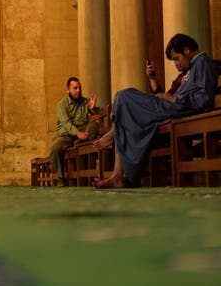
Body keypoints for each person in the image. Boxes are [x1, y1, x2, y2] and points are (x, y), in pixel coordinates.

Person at [93, 33, 217, 189]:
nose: (176, 64)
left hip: (180, 109)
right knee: (124, 110)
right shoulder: (189, 69)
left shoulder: (202, 62)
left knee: (124, 96)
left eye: (177, 58)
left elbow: (203, 98)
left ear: (186, 50)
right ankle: (117, 175)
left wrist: (173, 99)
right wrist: (161, 89)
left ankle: (114, 135)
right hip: (171, 107)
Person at [50, 77, 98, 186]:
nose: (79, 90)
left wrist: (93, 108)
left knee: (94, 125)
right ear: (68, 90)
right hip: (66, 134)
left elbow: (95, 112)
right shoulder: (61, 105)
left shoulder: (85, 102)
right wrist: (77, 133)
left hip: (83, 132)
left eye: (79, 88)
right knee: (55, 149)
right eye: (75, 88)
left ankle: (80, 143)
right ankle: (61, 178)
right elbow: (66, 123)